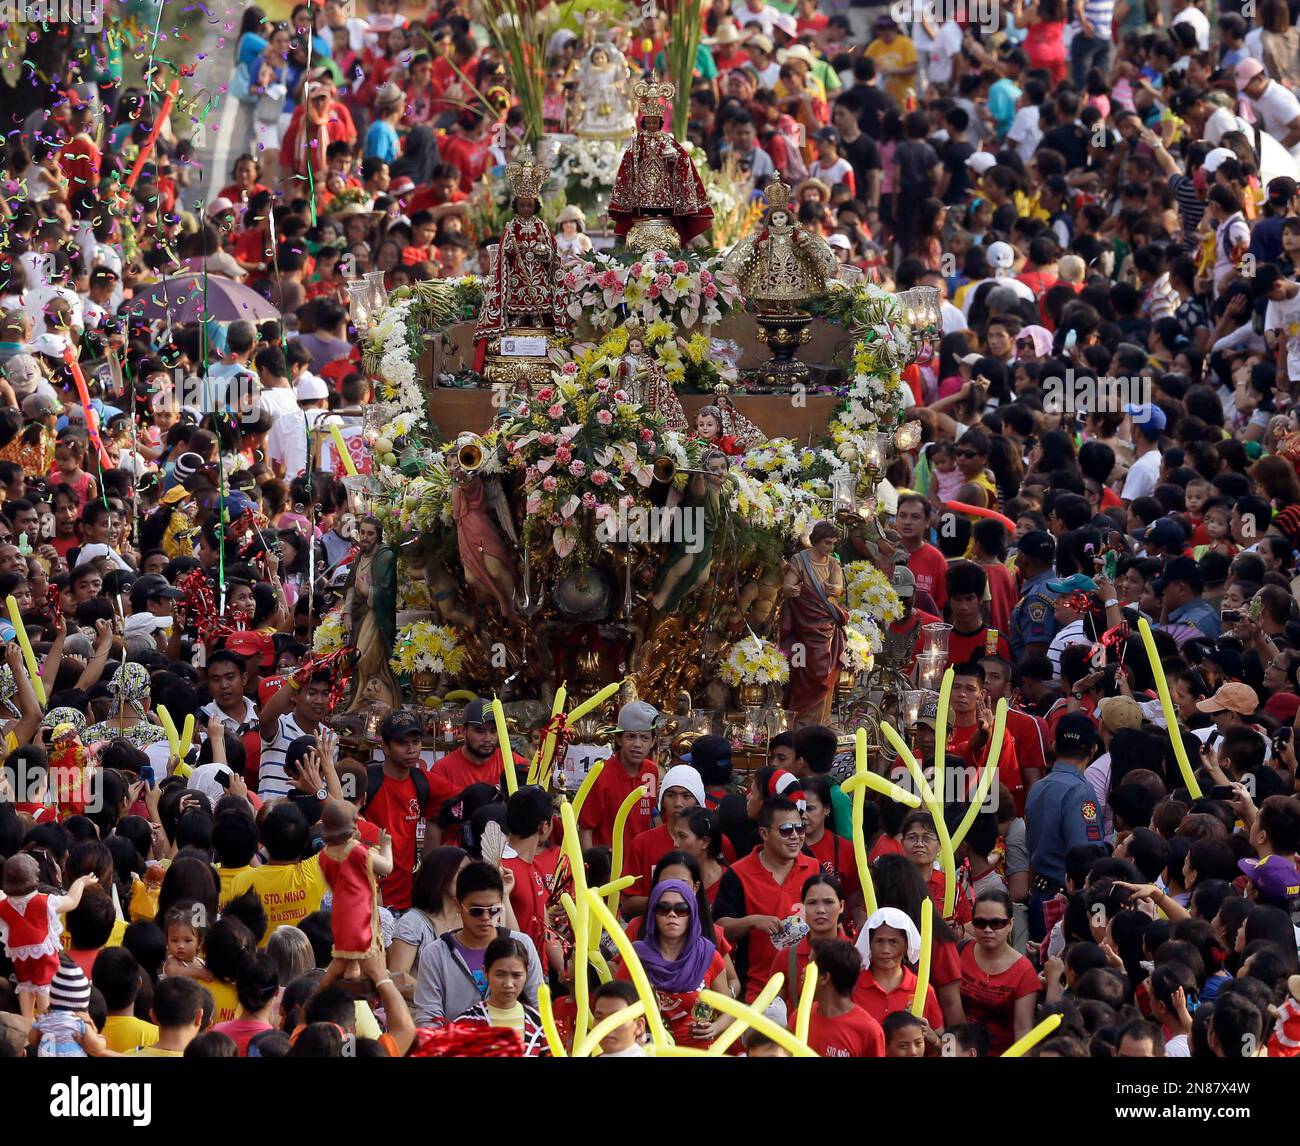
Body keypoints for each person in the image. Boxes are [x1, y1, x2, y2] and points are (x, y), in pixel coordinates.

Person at [714, 796, 821, 1001]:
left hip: (809, 988)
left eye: (800, 829)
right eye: (786, 830)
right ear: (764, 833)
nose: (795, 836)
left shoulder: (815, 869)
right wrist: (753, 921)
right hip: (758, 992)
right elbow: (719, 929)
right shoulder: (738, 874)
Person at [412, 862, 543, 1027]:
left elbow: (540, 1008)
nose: (486, 917)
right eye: (476, 910)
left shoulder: (522, 944)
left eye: (494, 910)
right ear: (458, 906)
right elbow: (428, 1020)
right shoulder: (436, 954)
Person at [618, 879, 730, 1047]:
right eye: (663, 909)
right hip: (648, 1050)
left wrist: (714, 1027)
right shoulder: (636, 956)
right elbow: (618, 1006)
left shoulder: (708, 955)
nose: (672, 915)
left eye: (681, 909)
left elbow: (730, 1010)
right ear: (653, 914)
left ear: (692, 913)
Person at [1025, 714, 1105, 940]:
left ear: (1054, 745)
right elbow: (1086, 855)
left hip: (1040, 894)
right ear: (1093, 749)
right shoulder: (1081, 791)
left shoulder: (1038, 787)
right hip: (1066, 901)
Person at [958, 888, 1039, 1053]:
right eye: (980, 922)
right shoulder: (961, 951)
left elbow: (1023, 1030)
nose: (988, 929)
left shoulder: (1024, 972)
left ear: (1010, 924)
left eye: (996, 923)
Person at [454, 936, 550, 1056]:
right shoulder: (465, 1024)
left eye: (516, 975)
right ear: (485, 972)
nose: (508, 984)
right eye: (500, 975)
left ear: (527, 973)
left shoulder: (539, 1024)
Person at [797, 937, 885, 1057]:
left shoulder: (869, 1031)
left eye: (810, 965)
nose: (803, 971)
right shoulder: (800, 1016)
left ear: (824, 978)